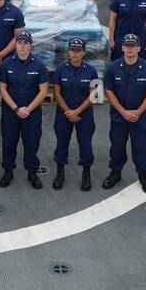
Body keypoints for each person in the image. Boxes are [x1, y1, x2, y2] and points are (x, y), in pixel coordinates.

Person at [103, 33, 146, 193]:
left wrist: (138, 112)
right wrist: (122, 111)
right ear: (122, 48)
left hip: (139, 118)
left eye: (133, 46)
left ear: (139, 48)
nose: (130, 49)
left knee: (140, 147)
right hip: (118, 117)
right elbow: (108, 90)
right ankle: (115, 172)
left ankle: (143, 175)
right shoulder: (113, 68)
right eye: (127, 46)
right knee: (117, 146)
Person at [0, 30, 48, 189]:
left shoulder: (38, 65)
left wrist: (28, 109)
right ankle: (8, 171)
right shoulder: (7, 64)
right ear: (16, 44)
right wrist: (16, 108)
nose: (22, 46)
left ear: (30, 45)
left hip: (31, 113)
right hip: (11, 112)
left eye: (25, 43)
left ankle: (32, 172)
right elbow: (2, 89)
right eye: (19, 43)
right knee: (9, 143)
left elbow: (43, 91)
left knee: (31, 143)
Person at [51, 37, 97, 192]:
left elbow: (93, 94)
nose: (75, 53)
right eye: (72, 50)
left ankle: (86, 173)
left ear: (83, 52)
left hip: (84, 114)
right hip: (64, 113)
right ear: (68, 51)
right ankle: (60, 172)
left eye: (78, 50)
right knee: (61, 143)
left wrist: (76, 111)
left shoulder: (91, 71)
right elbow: (57, 93)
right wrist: (68, 112)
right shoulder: (60, 70)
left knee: (85, 144)